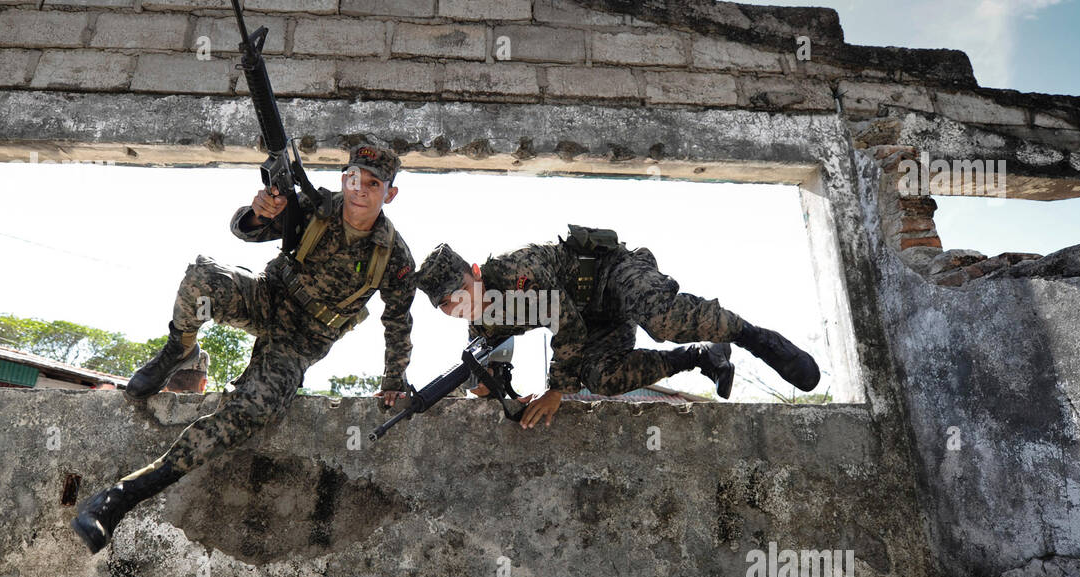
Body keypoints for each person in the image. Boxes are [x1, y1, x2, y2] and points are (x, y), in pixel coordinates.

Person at [72, 137, 417, 553]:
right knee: (202, 278)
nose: (359, 190)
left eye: (373, 184)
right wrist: (259, 212)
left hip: (303, 338)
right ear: (344, 179)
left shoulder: (394, 256)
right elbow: (244, 230)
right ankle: (178, 348)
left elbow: (398, 320)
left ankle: (119, 498)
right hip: (269, 297)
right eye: (353, 179)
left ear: (390, 193)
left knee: (256, 409)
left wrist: (395, 379)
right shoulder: (313, 207)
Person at [413, 227, 820, 429]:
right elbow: (491, 368)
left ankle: (756, 339)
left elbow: (566, 323)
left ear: (477, 273)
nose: (459, 305)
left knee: (663, 319)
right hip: (598, 322)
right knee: (601, 378)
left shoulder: (519, 272)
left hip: (612, 275)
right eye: (447, 304)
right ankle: (700, 359)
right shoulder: (481, 325)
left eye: (461, 291)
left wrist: (555, 390)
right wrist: (495, 389)